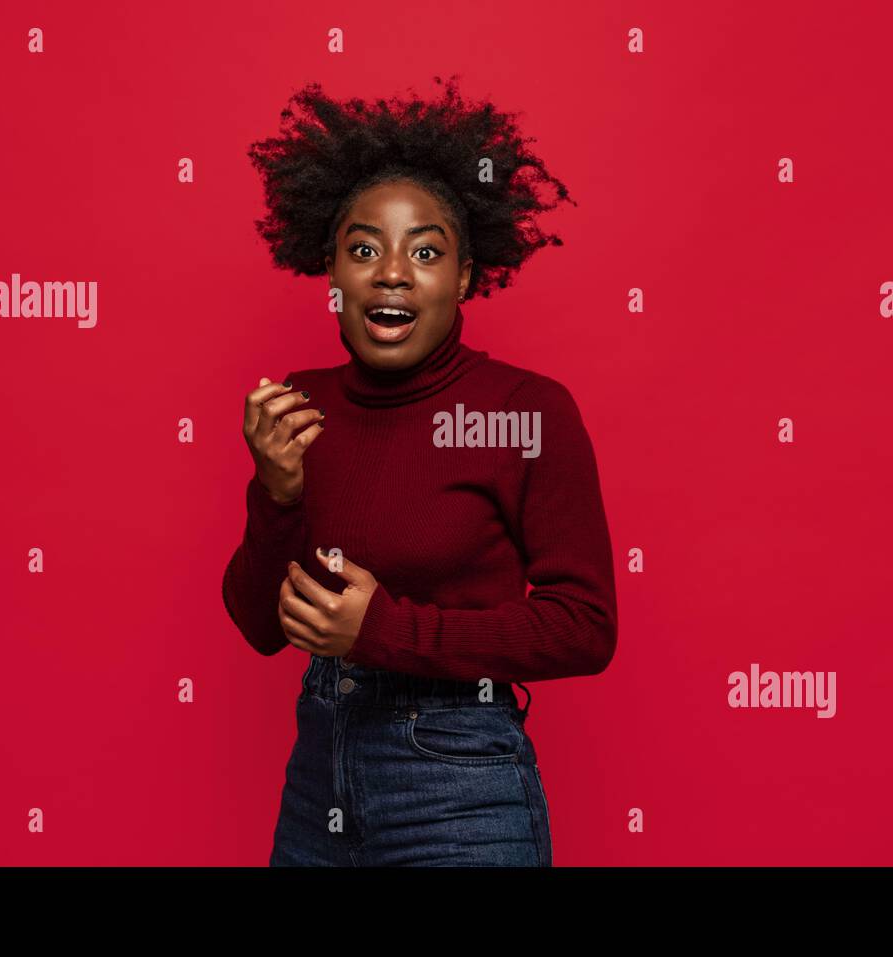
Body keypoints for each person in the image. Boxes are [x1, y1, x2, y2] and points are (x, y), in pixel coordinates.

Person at [222, 75, 618, 866]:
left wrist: (385, 631)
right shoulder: (298, 406)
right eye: (363, 249)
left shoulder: (526, 410)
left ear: (466, 277)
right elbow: (259, 626)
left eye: (426, 251)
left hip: (460, 784)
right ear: (330, 275)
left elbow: (587, 626)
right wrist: (278, 492)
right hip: (318, 777)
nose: (392, 271)